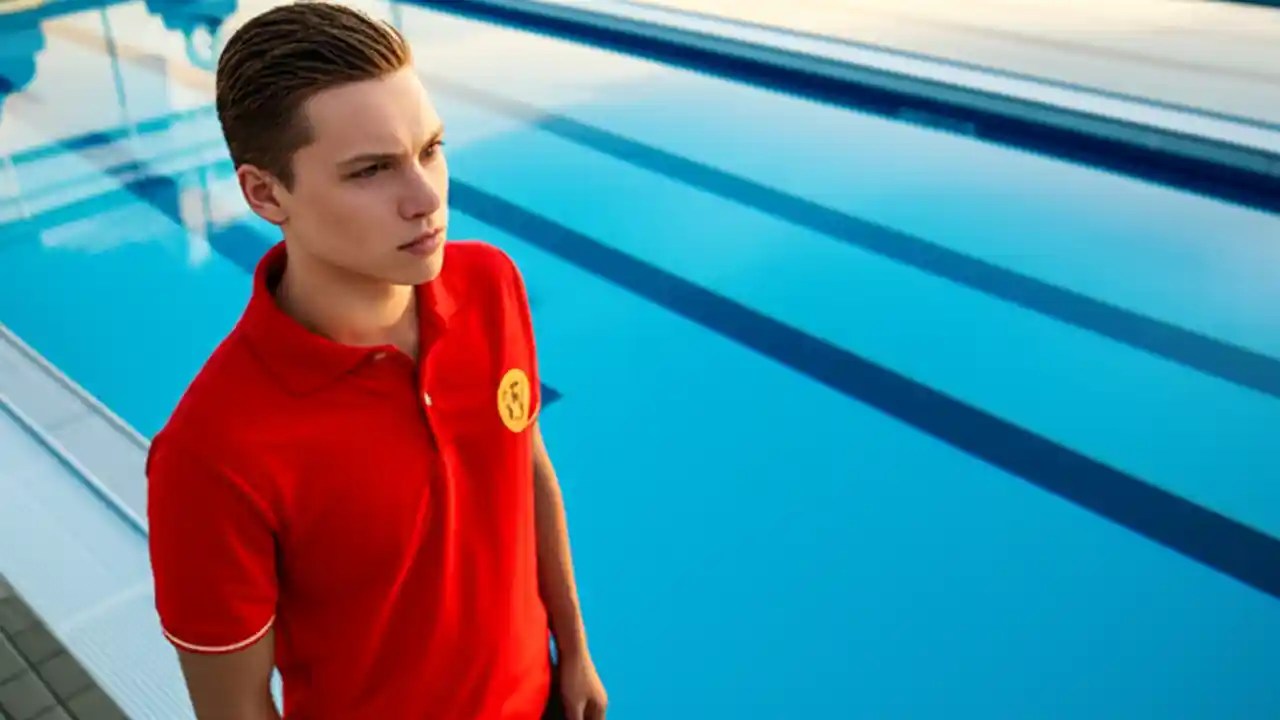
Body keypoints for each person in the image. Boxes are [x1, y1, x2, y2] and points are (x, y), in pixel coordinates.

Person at [144, 3, 607, 719]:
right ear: (266, 193)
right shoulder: (213, 453)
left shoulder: (491, 286)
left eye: (431, 149)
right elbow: (234, 711)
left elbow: (528, 467)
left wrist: (573, 650)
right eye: (371, 171)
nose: (427, 199)